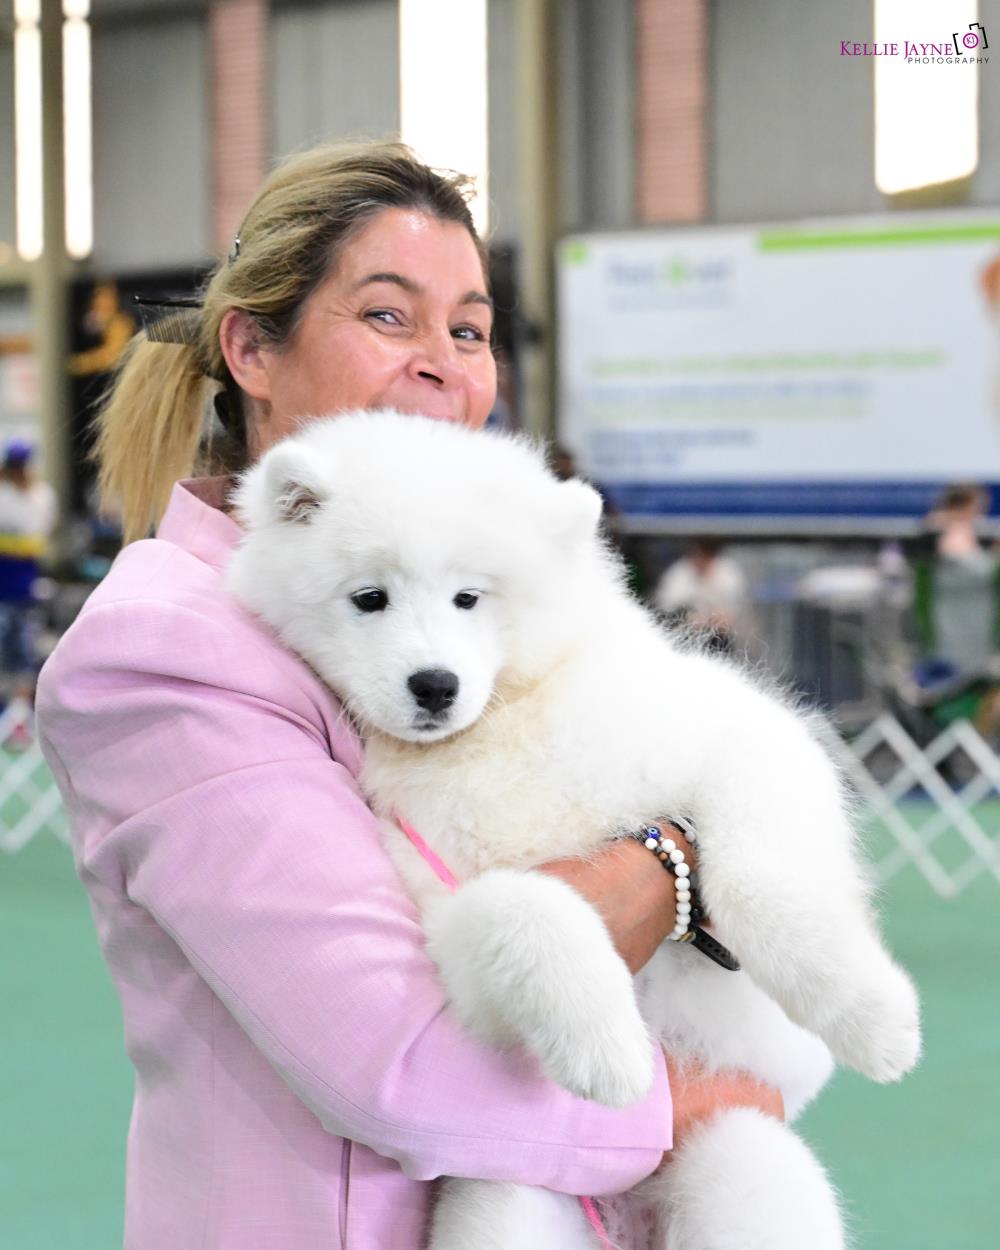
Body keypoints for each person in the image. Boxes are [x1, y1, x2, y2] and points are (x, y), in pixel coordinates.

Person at [35, 141, 781, 1250]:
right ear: (252, 349)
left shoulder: (500, 603)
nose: (444, 364)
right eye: (390, 317)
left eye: (470, 329)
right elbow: (402, 1064)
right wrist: (692, 1081)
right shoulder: (163, 651)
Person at [0, 437, 57, 747]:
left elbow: (38, 532)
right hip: (3, 590)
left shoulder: (41, 496)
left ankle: (18, 721)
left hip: (26, 590)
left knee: (25, 656)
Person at [653, 537, 750, 653]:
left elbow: (734, 615)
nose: (702, 560)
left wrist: (714, 620)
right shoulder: (678, 573)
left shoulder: (728, 572)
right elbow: (665, 610)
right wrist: (689, 618)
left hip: (720, 639)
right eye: (699, 554)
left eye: (707, 555)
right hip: (684, 639)